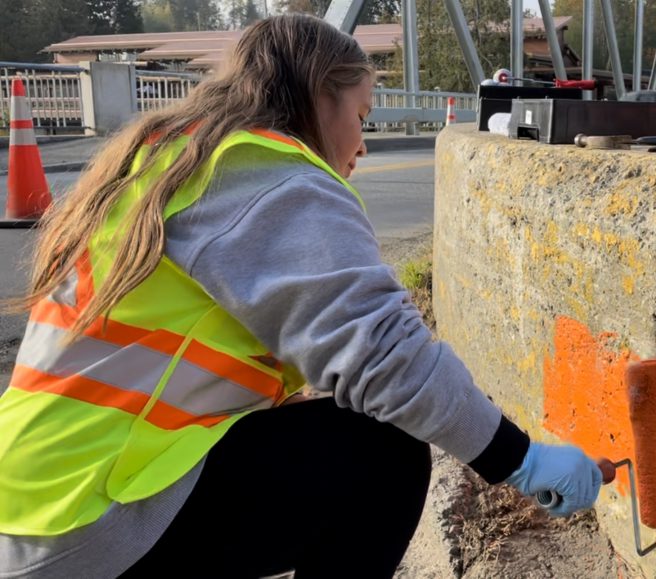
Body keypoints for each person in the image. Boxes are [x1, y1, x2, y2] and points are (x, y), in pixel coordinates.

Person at [0, 14, 602, 578]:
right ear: (321, 96)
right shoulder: (269, 175)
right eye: (362, 117)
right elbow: (386, 358)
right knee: (378, 452)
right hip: (93, 521)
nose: (362, 146)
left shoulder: (170, 162)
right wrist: (520, 461)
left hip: (38, 501)